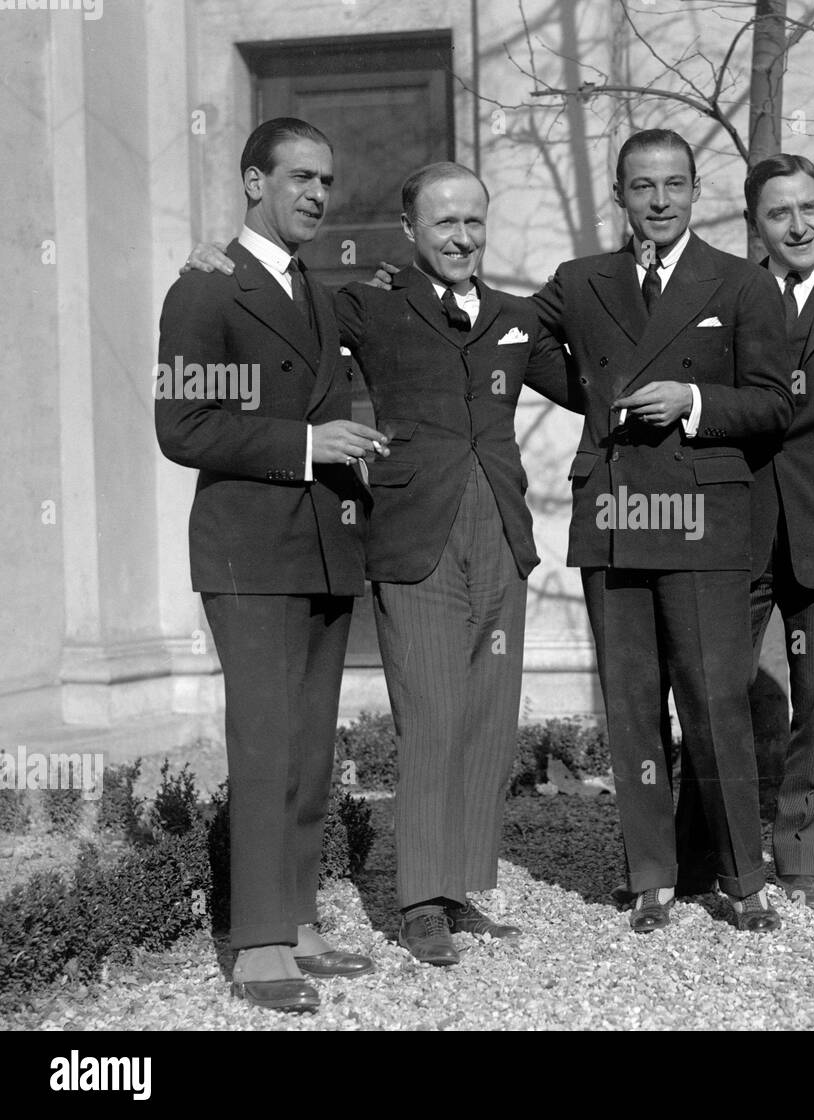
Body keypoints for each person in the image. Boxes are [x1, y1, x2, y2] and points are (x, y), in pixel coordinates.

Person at [182, 162, 574, 967]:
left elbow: (590, 381)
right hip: (412, 532)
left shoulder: (513, 316)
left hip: (500, 529)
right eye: (443, 225)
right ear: (411, 232)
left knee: (487, 718)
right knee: (431, 718)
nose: (461, 237)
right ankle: (420, 902)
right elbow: (280, 320)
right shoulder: (368, 303)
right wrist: (208, 264)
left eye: (473, 221)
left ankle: (460, 886)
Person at [530, 129, 794, 933]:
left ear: (695, 192)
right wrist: (596, 390)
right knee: (633, 706)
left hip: (702, 519)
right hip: (614, 513)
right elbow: (510, 333)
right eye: (642, 186)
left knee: (717, 703)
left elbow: (776, 403)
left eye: (674, 184)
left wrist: (694, 402)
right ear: (620, 196)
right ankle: (652, 877)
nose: (659, 201)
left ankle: (742, 879)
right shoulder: (581, 281)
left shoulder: (741, 283)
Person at [156, 117, 385, 1013]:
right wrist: (305, 442)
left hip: (326, 546)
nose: (317, 196)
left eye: (326, 181)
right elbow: (184, 428)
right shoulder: (204, 291)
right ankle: (255, 942)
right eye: (298, 178)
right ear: (254, 182)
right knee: (263, 744)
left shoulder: (320, 293)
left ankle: (294, 917)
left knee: (309, 748)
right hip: (248, 553)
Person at [672, 154, 814, 912]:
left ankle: (803, 857)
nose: (798, 225)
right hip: (736, 527)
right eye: (780, 213)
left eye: (810, 208)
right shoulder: (727, 300)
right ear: (756, 225)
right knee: (714, 693)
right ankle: (702, 857)